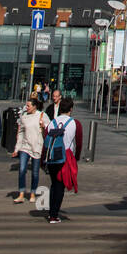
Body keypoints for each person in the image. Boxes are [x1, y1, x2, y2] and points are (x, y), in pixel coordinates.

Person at [43, 95, 78, 224]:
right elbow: (77, 142)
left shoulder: (52, 122)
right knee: (59, 186)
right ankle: (54, 214)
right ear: (71, 109)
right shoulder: (74, 123)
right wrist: (76, 157)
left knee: (54, 184)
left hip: (52, 155)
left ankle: (52, 211)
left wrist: (43, 159)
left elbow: (46, 140)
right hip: (65, 156)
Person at [11, 97, 50, 202]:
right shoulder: (24, 117)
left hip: (36, 146)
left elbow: (49, 127)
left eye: (28, 106)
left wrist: (44, 125)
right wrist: (17, 149)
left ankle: (33, 193)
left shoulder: (41, 115)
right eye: (26, 105)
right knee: (22, 169)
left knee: (35, 172)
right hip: (25, 146)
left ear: (34, 106)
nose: (26, 107)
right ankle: (21, 193)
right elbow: (20, 133)